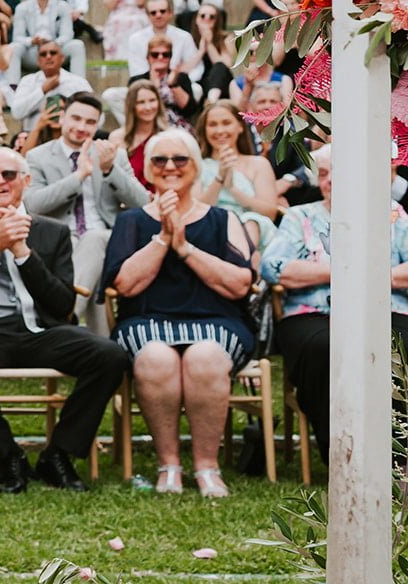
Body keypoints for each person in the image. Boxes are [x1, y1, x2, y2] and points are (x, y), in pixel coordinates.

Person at [0, 148, 130, 493]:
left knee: (110, 355)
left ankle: (58, 454)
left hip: (43, 331)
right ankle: (8, 456)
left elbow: (63, 304)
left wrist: (22, 251)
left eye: (8, 174)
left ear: (25, 181)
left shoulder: (52, 232)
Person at [101, 130, 256, 498]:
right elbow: (125, 285)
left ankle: (206, 466)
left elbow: (240, 284)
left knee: (205, 356)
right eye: (160, 160)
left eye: (180, 159)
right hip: (147, 321)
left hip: (218, 322)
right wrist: (163, 239)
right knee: (155, 357)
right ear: (149, 172)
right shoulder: (132, 222)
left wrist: (185, 248)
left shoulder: (223, 219)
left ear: (195, 167)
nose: (170, 166)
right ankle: (168, 464)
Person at [261, 146, 408, 462]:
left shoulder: (393, 213)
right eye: (323, 174)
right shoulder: (302, 217)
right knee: (328, 348)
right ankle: (341, 454)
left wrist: (370, 278)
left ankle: (396, 457)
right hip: (314, 313)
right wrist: (344, 271)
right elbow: (274, 266)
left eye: (337, 174)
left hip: (386, 309)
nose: (328, 181)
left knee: (394, 345)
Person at [24, 92, 149, 334]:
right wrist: (78, 177)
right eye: (76, 118)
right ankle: (102, 355)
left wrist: (110, 169)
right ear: (62, 118)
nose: (82, 127)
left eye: (90, 122)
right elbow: (33, 205)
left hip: (109, 240)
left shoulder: (113, 155)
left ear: (98, 125)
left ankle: (63, 317)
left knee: (94, 238)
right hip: (61, 242)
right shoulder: (38, 156)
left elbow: (142, 204)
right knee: (97, 273)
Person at [194, 101, 280, 249]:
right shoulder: (197, 166)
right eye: (213, 125)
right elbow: (195, 211)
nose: (220, 130)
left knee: (251, 221)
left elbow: (270, 213)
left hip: (254, 233)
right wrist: (219, 178)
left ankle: (243, 261)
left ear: (240, 127)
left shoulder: (259, 164)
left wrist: (233, 189)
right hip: (211, 230)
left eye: (226, 123)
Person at [9, 41, 91, 140]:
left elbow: (94, 113)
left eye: (53, 53)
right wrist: (42, 90)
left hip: (70, 137)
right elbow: (17, 113)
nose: (48, 57)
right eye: (43, 54)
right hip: (34, 137)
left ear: (62, 58)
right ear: (38, 61)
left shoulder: (78, 82)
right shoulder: (28, 81)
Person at [11, 0, 83, 76]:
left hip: (56, 49)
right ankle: (13, 89)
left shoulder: (63, 6)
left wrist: (54, 43)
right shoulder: (22, 8)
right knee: (14, 48)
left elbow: (67, 35)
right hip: (33, 51)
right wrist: (32, 41)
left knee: (77, 45)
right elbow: (17, 37)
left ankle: (80, 89)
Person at [121, 80, 166, 185]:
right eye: (141, 102)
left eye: (152, 100)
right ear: (131, 106)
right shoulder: (118, 138)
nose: (148, 107)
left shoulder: (168, 136)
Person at [190, 3, 235, 103]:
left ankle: (211, 101)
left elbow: (226, 65)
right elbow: (188, 67)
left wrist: (209, 43)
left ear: (217, 20)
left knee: (220, 67)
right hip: (197, 80)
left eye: (211, 17)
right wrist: (201, 51)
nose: (206, 19)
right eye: (202, 16)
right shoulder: (188, 38)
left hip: (220, 83)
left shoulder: (226, 37)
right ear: (196, 19)